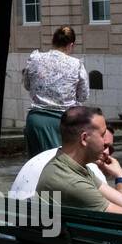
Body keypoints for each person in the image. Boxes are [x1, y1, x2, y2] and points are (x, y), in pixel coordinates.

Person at [21, 26, 89, 157]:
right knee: (62, 165)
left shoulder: (35, 59)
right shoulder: (76, 64)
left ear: (53, 41)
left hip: (37, 120)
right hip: (64, 121)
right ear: (71, 45)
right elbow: (83, 95)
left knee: (37, 164)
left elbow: (27, 85)